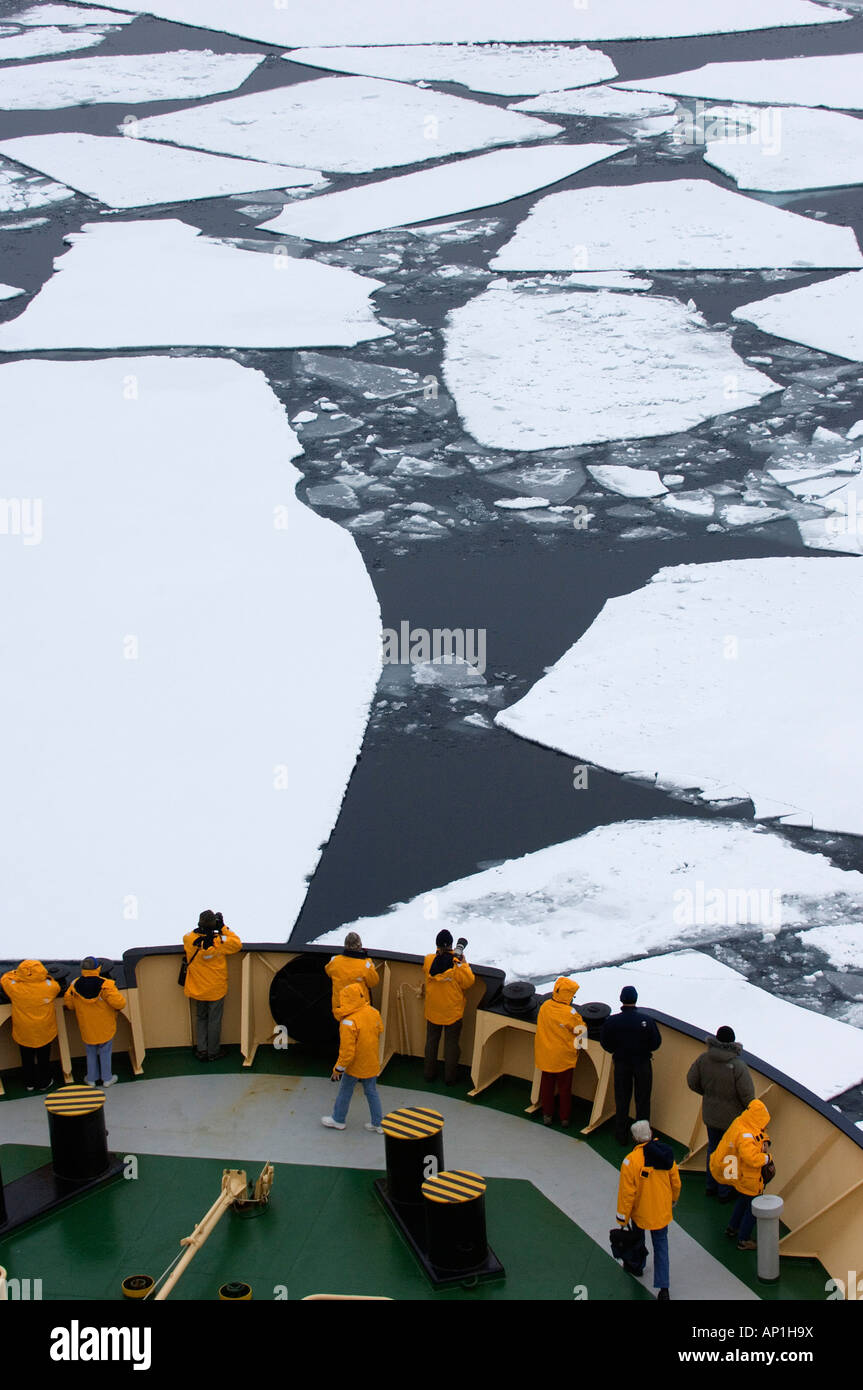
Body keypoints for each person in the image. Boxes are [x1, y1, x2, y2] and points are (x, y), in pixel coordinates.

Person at [686, 1025, 755, 1202]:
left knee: (713, 1149)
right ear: (732, 1042)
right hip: (732, 1119)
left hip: (711, 1115)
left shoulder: (704, 1059)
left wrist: (708, 1095)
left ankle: (711, 1186)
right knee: (730, 1154)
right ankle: (725, 1191)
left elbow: (692, 1081)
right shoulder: (738, 1066)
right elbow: (747, 1095)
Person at [616, 1119, 681, 1301]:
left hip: (640, 1212)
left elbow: (627, 1193)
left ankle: (637, 1265)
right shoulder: (666, 1154)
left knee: (638, 1240)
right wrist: (673, 1199)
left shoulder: (630, 1161)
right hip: (661, 1211)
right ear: (650, 1134)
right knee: (661, 1247)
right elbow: (675, 1182)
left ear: (635, 1138)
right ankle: (664, 1288)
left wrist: (622, 1218)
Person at [709, 1098, 772, 1251]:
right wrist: (767, 1158)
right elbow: (751, 1158)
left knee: (742, 1201)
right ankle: (743, 1240)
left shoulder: (742, 1122)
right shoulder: (746, 1136)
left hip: (743, 1178)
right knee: (752, 1210)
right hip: (750, 1178)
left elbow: (760, 1134)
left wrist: (766, 1141)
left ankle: (732, 1227)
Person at [600, 986, 662, 1143]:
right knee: (642, 1100)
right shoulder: (647, 1021)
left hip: (621, 1064)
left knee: (622, 1099)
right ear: (635, 999)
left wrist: (618, 1051)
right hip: (642, 1064)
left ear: (621, 999)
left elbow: (605, 1043)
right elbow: (656, 1043)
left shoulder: (612, 1021)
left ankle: (621, 1135)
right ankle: (642, 1137)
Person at [322, 982, 384, 1132]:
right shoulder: (373, 1012)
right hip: (372, 1061)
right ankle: (378, 1123)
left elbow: (347, 1052)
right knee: (371, 1091)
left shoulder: (348, 1022)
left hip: (355, 1065)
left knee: (345, 1090)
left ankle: (338, 1119)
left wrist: (338, 1068)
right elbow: (379, 1030)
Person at [182, 909, 242, 1061]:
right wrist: (222, 927)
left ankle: (202, 1049)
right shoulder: (219, 942)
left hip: (198, 988)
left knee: (201, 1017)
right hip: (215, 989)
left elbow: (192, 938)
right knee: (214, 1020)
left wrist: (205, 929)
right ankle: (213, 1052)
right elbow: (237, 944)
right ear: (213, 925)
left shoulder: (189, 939)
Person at [63, 958, 127, 1088]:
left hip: (87, 1027)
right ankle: (107, 1079)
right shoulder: (106, 985)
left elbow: (69, 1004)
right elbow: (120, 1003)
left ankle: (91, 1079)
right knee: (105, 1051)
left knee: (90, 1052)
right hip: (105, 1027)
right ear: (98, 968)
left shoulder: (74, 984)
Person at [422, 929, 475, 1086]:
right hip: (452, 1012)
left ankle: (429, 1074)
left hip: (433, 1010)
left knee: (431, 1043)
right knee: (451, 1046)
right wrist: (462, 962)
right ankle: (450, 1078)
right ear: (452, 945)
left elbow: (431, 967)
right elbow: (469, 982)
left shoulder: (429, 960)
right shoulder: (456, 965)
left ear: (437, 945)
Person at [0, 959, 60, 1092]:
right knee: (44, 1058)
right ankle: (44, 1082)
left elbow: (5, 978)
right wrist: (45, 978)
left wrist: (18, 975)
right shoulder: (49, 987)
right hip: (44, 1031)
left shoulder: (15, 988)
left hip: (24, 1032)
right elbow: (57, 986)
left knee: (26, 1058)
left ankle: (29, 1083)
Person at [534, 977, 584, 1127]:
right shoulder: (570, 1013)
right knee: (564, 1089)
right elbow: (581, 1029)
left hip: (546, 1056)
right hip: (563, 1058)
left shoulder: (545, 1006)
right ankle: (564, 1118)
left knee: (547, 1087)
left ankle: (547, 1114)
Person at [324, 932, 379, 1015]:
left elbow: (328, 971)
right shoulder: (366, 965)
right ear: (360, 945)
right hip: (359, 1008)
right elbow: (373, 982)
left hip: (340, 1007)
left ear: (345, 945)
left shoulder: (335, 961)